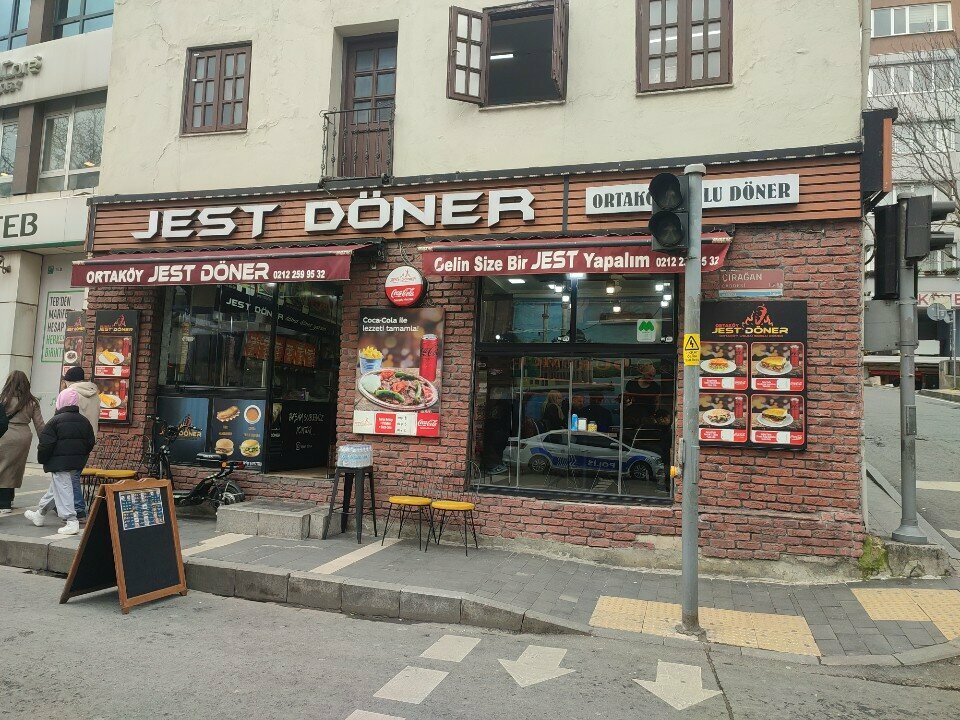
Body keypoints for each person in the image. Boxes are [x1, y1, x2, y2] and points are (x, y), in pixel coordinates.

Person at [25, 388, 95, 536]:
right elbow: (90, 442)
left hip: (59, 463)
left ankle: (71, 521)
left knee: (63, 489)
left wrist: (43, 460)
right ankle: (40, 514)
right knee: (56, 489)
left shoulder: (54, 422)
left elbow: (45, 445)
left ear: (60, 402)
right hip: (77, 462)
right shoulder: (84, 421)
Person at [0, 371, 45, 516]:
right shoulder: (31, 401)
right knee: (13, 469)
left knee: (3, 467)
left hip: (4, 434)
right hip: (23, 436)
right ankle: (9, 499)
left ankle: (4, 502)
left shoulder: (3, 399)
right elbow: (39, 424)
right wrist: (46, 442)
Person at [62, 366, 99, 520]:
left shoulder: (69, 393)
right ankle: (58, 505)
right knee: (68, 473)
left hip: (70, 438)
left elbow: (61, 417)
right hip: (89, 438)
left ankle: (79, 509)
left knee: (71, 475)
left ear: (67, 380)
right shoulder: (95, 394)